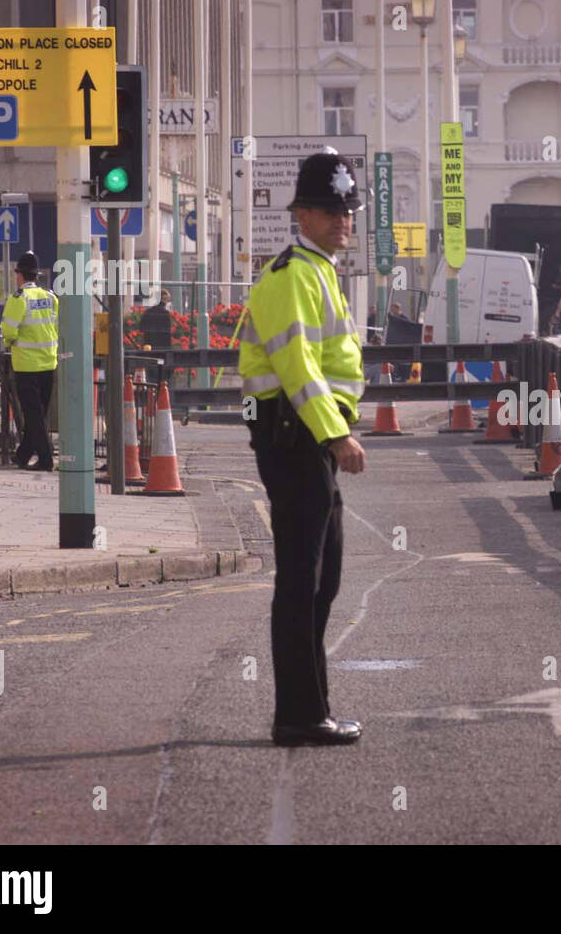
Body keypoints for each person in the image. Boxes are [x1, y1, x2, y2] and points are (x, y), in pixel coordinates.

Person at [238, 148, 368, 747]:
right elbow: (299, 367)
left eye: (348, 210)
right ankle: (297, 714)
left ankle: (311, 708)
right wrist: (334, 433)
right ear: (303, 215)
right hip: (295, 435)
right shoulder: (293, 274)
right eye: (331, 210)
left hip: (306, 436)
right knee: (301, 578)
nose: (343, 219)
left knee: (322, 578)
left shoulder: (318, 271)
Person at [1, 251, 59, 471]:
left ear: (20, 275)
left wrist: (9, 342)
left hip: (26, 365)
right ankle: (23, 454)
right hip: (49, 363)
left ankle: (45, 459)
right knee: (38, 413)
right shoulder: (50, 297)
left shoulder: (19, 299)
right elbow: (57, 326)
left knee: (33, 415)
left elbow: (8, 330)